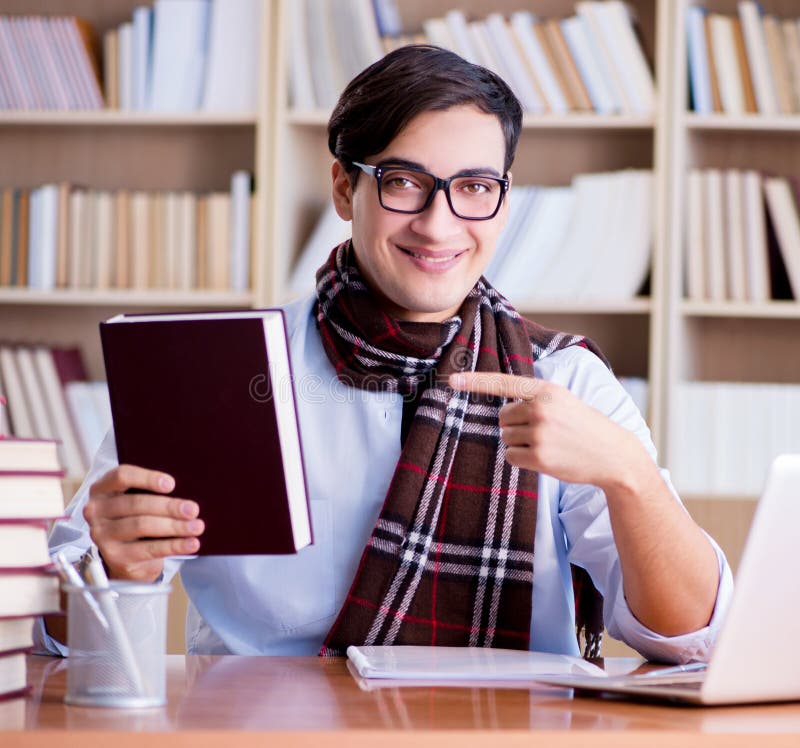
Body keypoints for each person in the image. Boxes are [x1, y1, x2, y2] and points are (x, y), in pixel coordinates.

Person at [38, 45, 732, 662]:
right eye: (403, 182)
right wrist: (110, 564)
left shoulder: (565, 378)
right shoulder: (217, 367)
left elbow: (690, 637)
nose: (439, 224)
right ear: (345, 187)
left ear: (503, 200)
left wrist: (629, 476)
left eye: (473, 188)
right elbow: (53, 634)